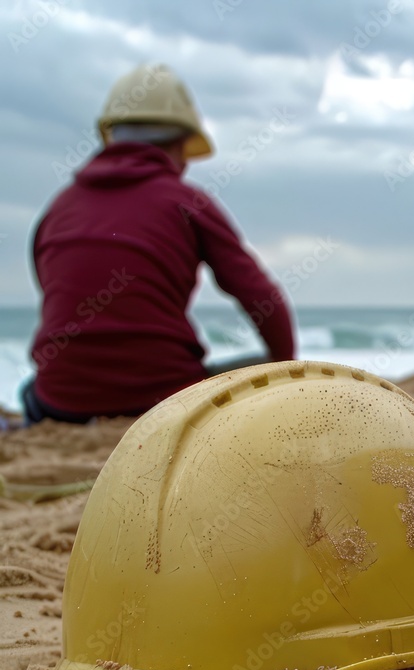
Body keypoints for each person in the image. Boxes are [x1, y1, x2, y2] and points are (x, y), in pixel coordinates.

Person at [21, 64, 295, 425]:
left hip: (61, 404)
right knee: (262, 369)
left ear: (110, 139)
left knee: (30, 389)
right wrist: (287, 370)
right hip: (163, 401)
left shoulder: (57, 208)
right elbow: (262, 300)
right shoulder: (187, 202)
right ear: (180, 146)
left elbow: (55, 290)